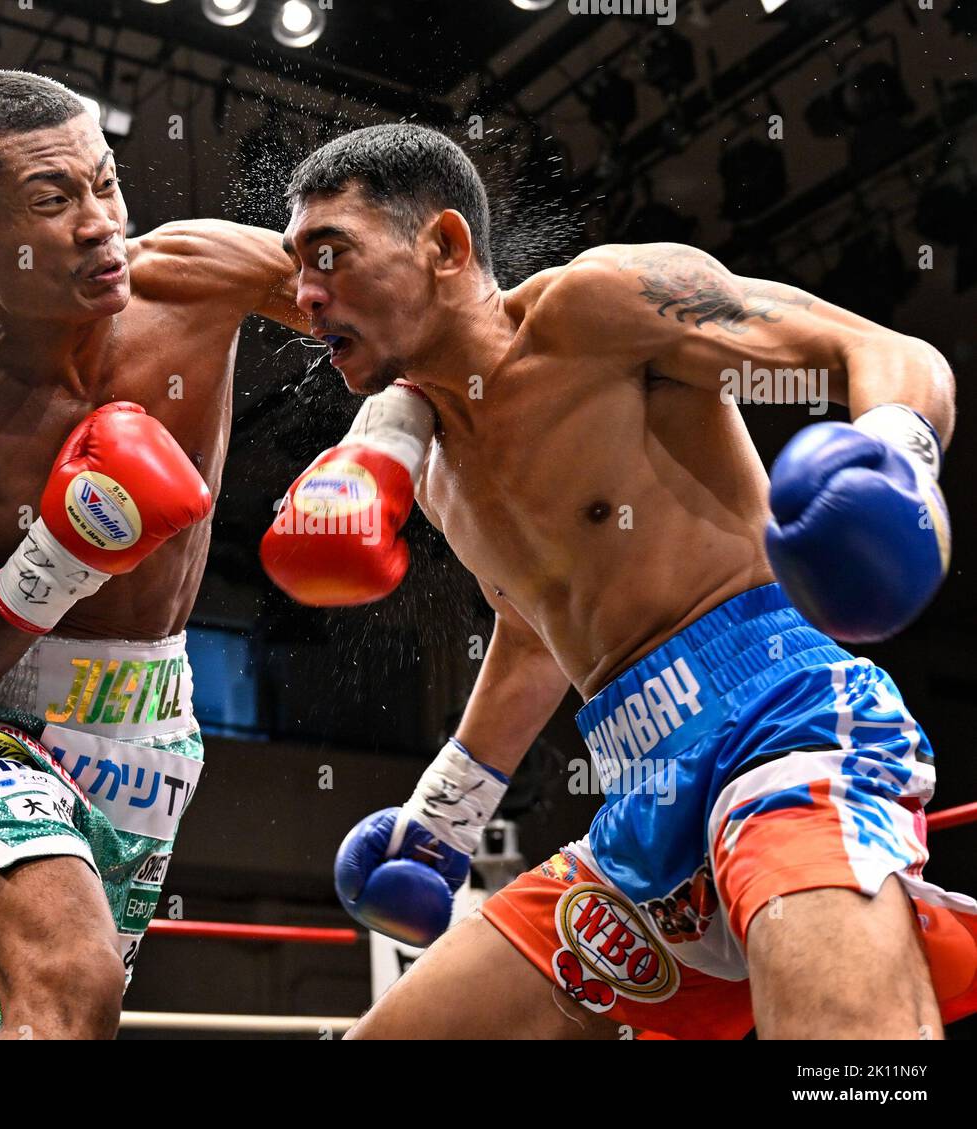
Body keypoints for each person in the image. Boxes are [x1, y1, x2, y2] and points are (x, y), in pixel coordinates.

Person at [262, 123, 977, 1038]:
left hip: (783, 722)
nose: (305, 296)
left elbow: (883, 351)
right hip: (642, 797)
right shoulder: (435, 476)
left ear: (444, 245)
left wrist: (895, 467)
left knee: (844, 1050)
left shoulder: (595, 311)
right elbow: (532, 636)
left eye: (331, 254)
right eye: (295, 266)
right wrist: (446, 812)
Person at [0, 69, 312, 1039]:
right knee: (72, 976)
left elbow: (405, 325)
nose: (100, 222)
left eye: (105, 183)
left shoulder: (199, 277)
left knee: (13, 1017)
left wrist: (381, 450)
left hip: (148, 723)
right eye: (53, 200)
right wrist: (53, 558)